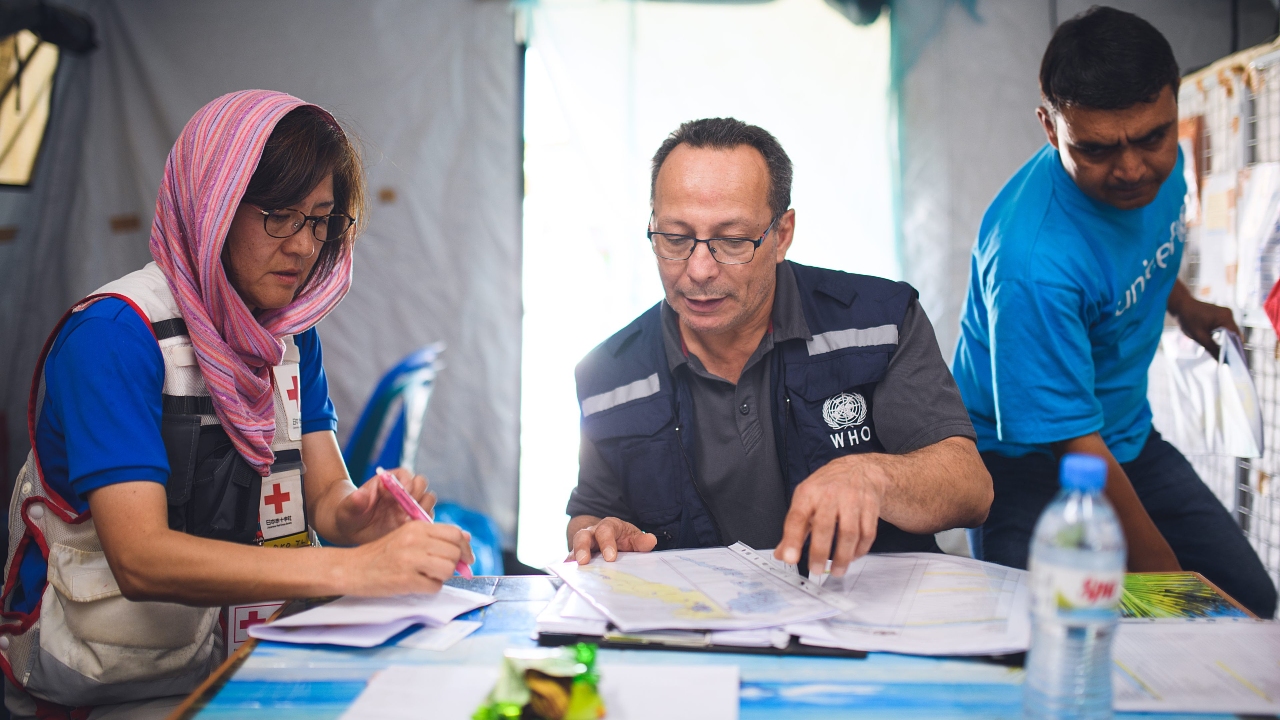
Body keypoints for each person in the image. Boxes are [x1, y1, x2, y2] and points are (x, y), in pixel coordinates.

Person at [0, 91, 474, 718]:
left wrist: (357, 517)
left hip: (241, 662)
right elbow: (141, 558)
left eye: (321, 219)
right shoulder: (116, 335)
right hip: (100, 684)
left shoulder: (290, 333)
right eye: (279, 215)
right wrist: (353, 570)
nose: (304, 246)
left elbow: (327, 494)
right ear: (212, 204)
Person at [952, 7, 1277, 618]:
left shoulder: (1165, 164)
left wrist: (1186, 304)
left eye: (1151, 137)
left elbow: (1135, 251)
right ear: (1050, 129)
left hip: (1122, 432)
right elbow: (1067, 435)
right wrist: (1167, 581)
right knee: (1035, 630)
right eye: (1096, 149)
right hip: (1024, 459)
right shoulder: (1031, 262)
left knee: (1252, 602)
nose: (1131, 169)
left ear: (1171, 106)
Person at [565, 118, 993, 577]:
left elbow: (971, 491)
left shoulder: (878, 323)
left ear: (782, 234)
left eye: (731, 241)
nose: (700, 269)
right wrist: (600, 534)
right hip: (700, 638)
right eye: (675, 238)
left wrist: (874, 476)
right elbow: (590, 513)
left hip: (869, 631)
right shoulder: (609, 375)